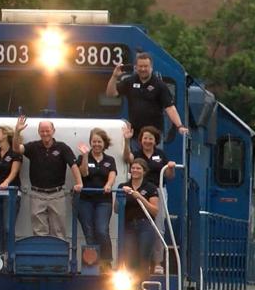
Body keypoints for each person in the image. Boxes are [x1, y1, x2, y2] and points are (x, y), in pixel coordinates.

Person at [13, 117, 84, 238]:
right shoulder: (33, 146)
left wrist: (79, 183)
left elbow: (73, 165)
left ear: (53, 131)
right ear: (38, 132)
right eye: (42, 131)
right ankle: (42, 251)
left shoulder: (62, 147)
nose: (45, 133)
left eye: (47, 131)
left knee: (58, 232)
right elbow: (16, 149)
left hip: (57, 195)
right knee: (39, 233)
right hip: (37, 195)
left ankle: (58, 252)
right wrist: (17, 132)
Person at [123, 125, 176, 274]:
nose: (147, 141)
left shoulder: (161, 154)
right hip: (138, 190)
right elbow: (127, 158)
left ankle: (157, 262)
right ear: (141, 140)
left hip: (157, 190)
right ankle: (135, 265)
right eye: (145, 138)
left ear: (155, 141)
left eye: (150, 138)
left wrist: (170, 167)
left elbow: (170, 176)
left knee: (158, 226)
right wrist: (126, 141)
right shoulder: (136, 154)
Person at [106, 52, 188, 144]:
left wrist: (179, 126)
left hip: (154, 136)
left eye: (146, 66)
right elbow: (111, 94)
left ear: (151, 67)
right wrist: (114, 76)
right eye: (140, 66)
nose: (143, 69)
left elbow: (170, 108)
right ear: (136, 67)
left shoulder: (160, 85)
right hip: (135, 135)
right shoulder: (129, 82)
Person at [75, 128, 117, 269]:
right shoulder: (83, 158)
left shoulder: (110, 160)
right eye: (94, 141)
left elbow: (112, 174)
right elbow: (84, 173)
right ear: (90, 142)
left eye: (99, 141)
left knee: (101, 230)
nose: (96, 144)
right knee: (89, 232)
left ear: (104, 143)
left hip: (103, 201)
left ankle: (106, 263)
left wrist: (108, 185)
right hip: (85, 200)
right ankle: (92, 266)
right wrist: (85, 156)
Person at [115, 159, 159, 276]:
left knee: (143, 257)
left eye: (138, 168)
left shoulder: (151, 188)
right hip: (128, 226)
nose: (135, 170)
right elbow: (116, 209)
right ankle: (131, 284)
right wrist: (121, 195)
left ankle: (143, 283)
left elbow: (155, 211)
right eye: (133, 168)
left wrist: (140, 197)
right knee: (129, 258)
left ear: (144, 171)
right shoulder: (122, 186)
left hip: (145, 226)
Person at [0, 124, 22, 257]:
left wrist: (6, 182)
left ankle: (9, 255)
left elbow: (14, 171)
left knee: (8, 227)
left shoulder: (15, 154)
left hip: (10, 193)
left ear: (5, 135)